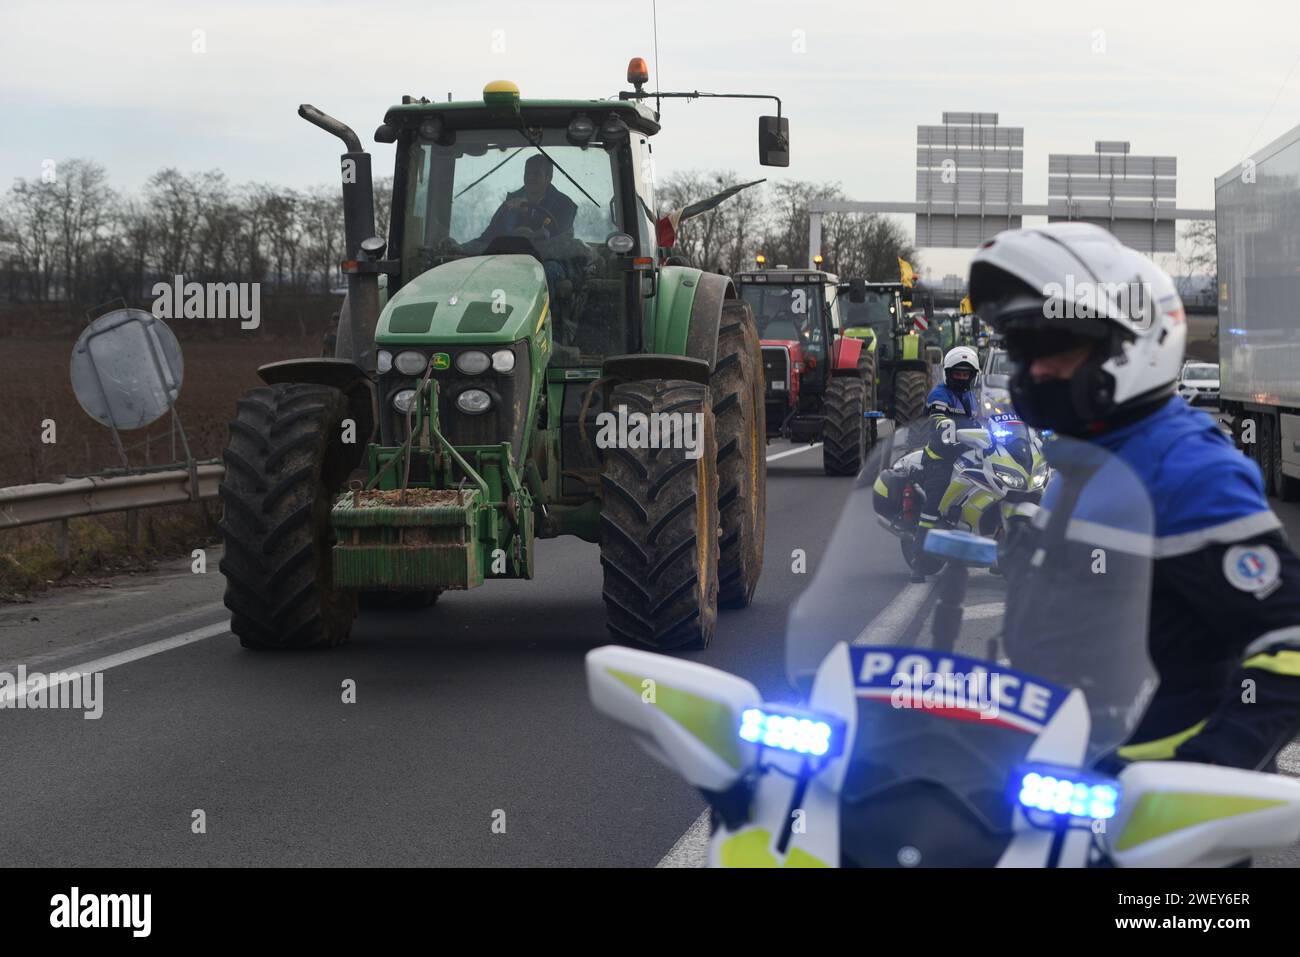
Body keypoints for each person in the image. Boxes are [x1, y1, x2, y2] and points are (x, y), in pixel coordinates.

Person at [969, 222, 1300, 771]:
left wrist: (1210, 768)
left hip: (1152, 815)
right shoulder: (1088, 455)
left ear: (1132, 343)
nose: (1036, 369)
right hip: (1061, 786)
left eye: (1053, 345)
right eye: (1022, 349)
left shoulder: (1189, 470)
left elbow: (1290, 640)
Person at [916, 346, 982, 544]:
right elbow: (937, 417)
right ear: (948, 374)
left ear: (972, 376)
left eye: (966, 374)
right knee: (935, 501)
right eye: (958, 373)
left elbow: (976, 420)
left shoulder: (970, 395)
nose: (962, 377)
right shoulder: (940, 393)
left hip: (964, 453)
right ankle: (919, 558)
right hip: (940, 456)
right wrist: (945, 425)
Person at [473, 153, 577, 247]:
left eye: (536, 174)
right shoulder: (511, 202)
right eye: (527, 173)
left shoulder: (565, 205)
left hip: (548, 260)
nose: (530, 177)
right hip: (511, 259)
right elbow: (489, 236)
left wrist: (529, 216)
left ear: (549, 177)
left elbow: (558, 241)